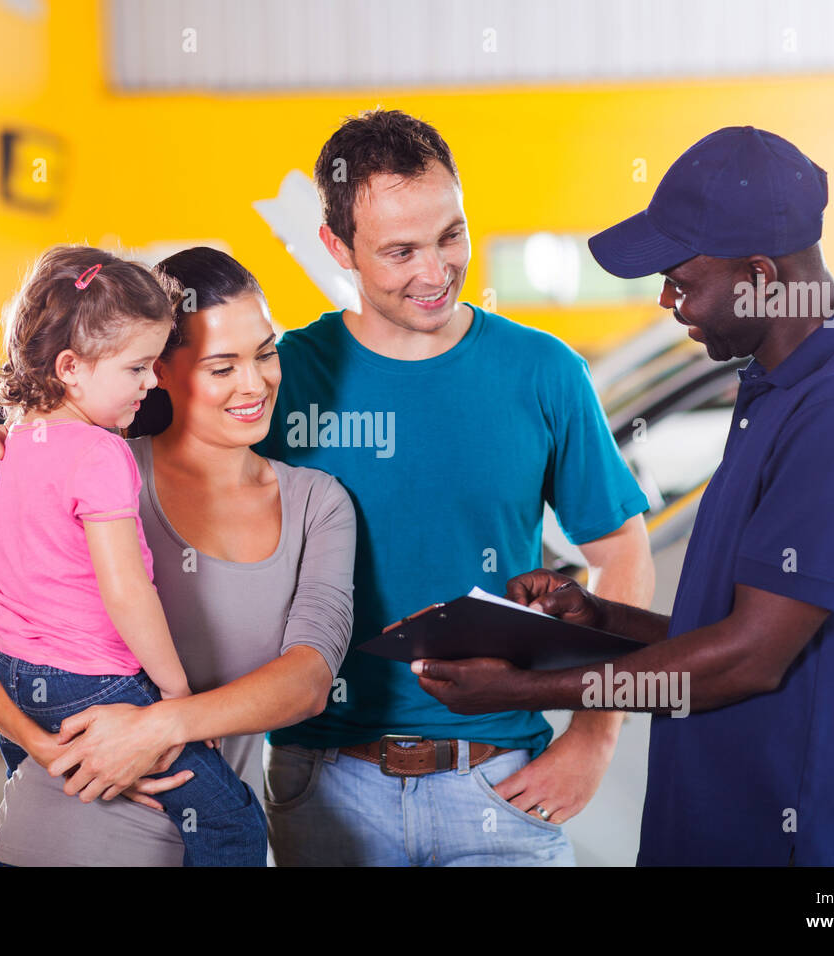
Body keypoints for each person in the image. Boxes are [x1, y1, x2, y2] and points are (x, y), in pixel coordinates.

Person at [415, 127, 834, 866]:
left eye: (680, 280)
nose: (665, 299)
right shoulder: (782, 387)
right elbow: (744, 630)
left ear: (760, 273)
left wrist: (525, 687)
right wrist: (599, 618)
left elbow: (749, 659)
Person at [250, 109, 654, 866]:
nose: (435, 273)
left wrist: (595, 739)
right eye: (400, 251)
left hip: (498, 782)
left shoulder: (543, 371)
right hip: (325, 784)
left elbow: (621, 549)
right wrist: (23, 442)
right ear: (337, 247)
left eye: (450, 236)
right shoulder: (283, 375)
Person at [0, 247, 355, 866]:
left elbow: (309, 682)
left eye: (265, 352)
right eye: (221, 365)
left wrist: (161, 724)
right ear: (164, 370)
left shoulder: (316, 503)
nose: (254, 382)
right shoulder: (103, 471)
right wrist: (42, 746)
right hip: (35, 843)